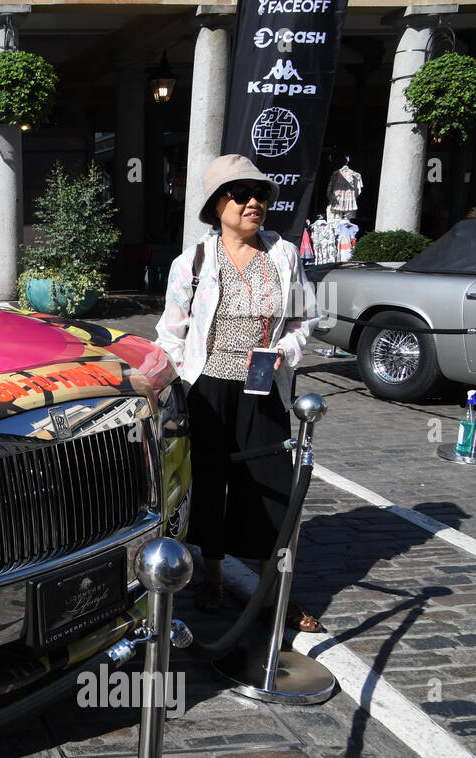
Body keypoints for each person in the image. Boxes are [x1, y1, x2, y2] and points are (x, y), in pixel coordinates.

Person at [154, 154, 323, 633]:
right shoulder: (194, 261)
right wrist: (177, 385)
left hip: (264, 383)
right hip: (207, 386)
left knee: (271, 488)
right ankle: (211, 577)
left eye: (262, 195)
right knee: (208, 481)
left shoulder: (283, 255)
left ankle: (277, 592)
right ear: (216, 204)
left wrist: (283, 350)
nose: (255, 203)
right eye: (242, 194)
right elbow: (171, 331)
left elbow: (306, 318)